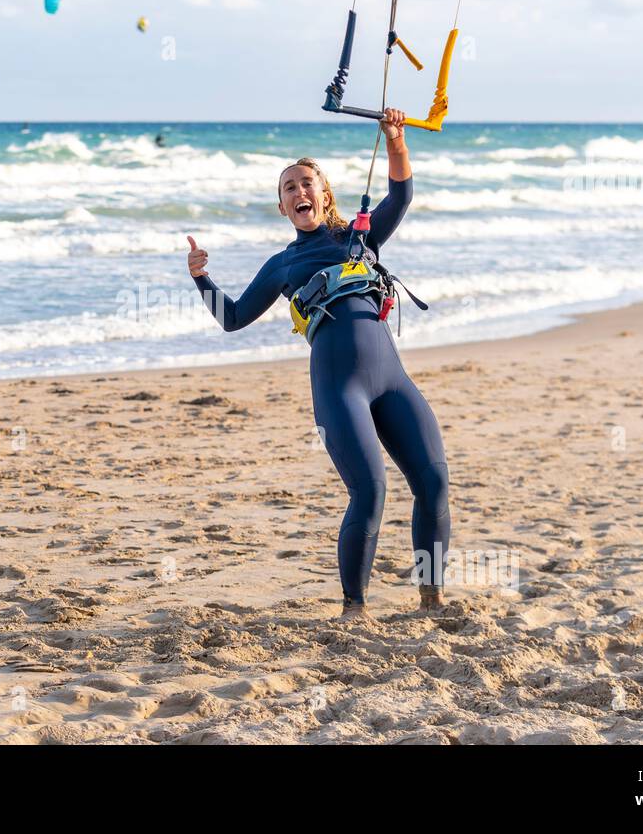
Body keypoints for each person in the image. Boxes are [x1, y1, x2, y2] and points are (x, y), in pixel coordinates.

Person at [186, 110, 449, 618]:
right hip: (337, 387)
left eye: (307, 183)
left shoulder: (360, 237)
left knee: (434, 481)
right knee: (370, 489)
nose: (298, 191)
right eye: (288, 188)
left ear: (324, 195)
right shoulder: (283, 264)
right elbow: (234, 318)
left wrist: (396, 139)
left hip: (392, 381)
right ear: (283, 207)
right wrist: (202, 278)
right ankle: (355, 608)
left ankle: (431, 597)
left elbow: (402, 195)